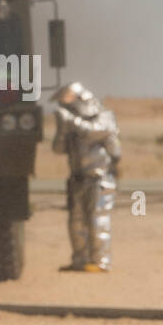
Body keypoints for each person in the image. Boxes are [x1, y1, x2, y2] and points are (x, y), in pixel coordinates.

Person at [51, 81, 120, 272]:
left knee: (98, 221)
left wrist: (71, 122)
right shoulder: (72, 125)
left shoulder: (104, 118)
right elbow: (58, 148)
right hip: (78, 179)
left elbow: (94, 132)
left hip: (100, 179)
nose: (65, 109)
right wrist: (63, 129)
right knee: (76, 222)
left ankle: (100, 261)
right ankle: (79, 260)